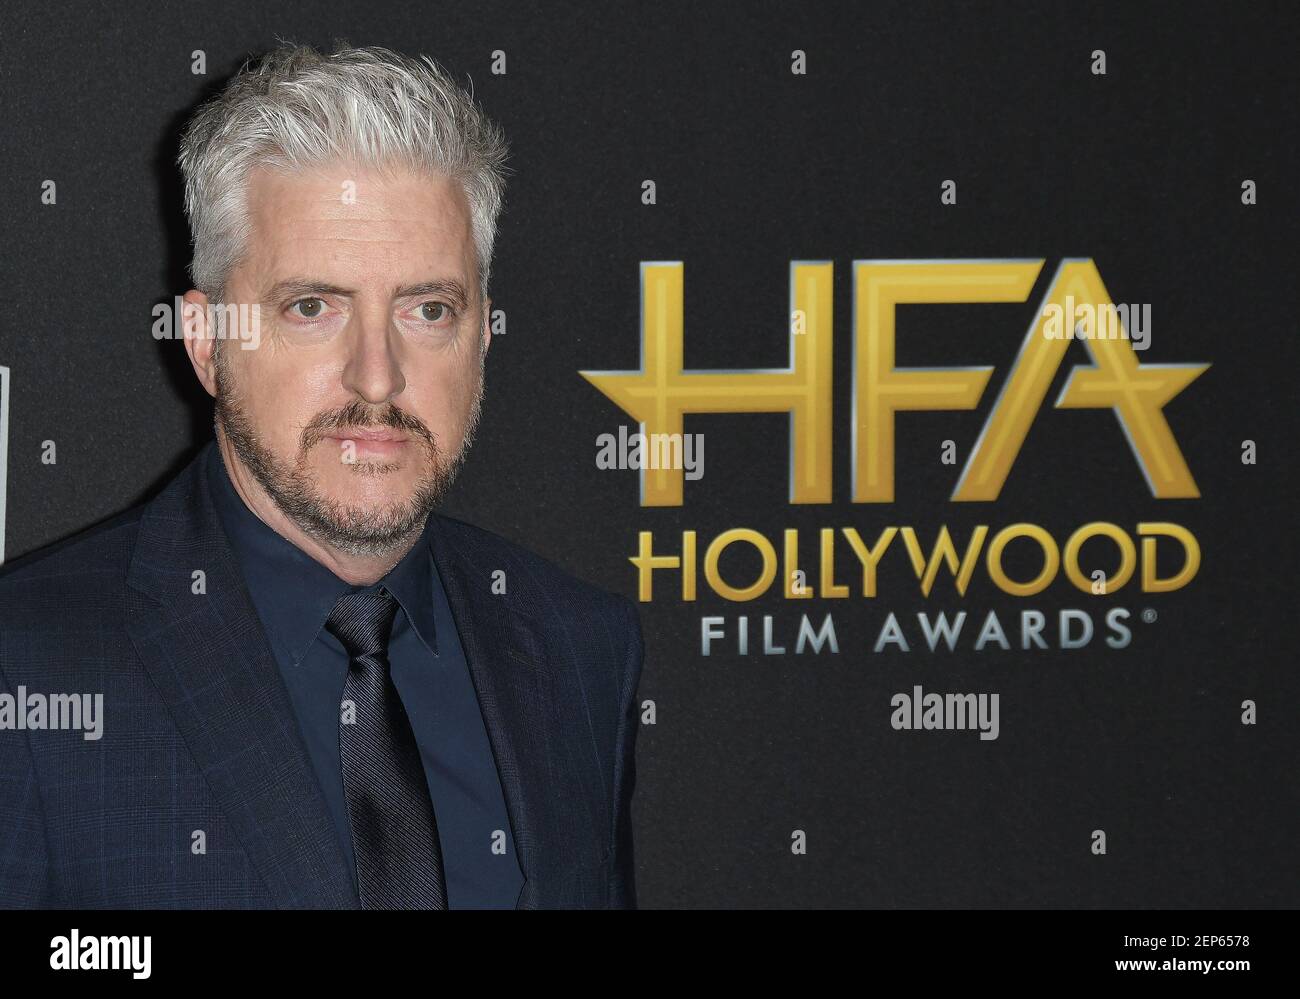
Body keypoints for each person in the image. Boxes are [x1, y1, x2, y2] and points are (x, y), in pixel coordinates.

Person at [0, 42, 642, 910]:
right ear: (206, 341)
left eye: (427, 309)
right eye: (312, 308)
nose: (376, 376)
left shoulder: (579, 646)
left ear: (484, 336)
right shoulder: (28, 669)